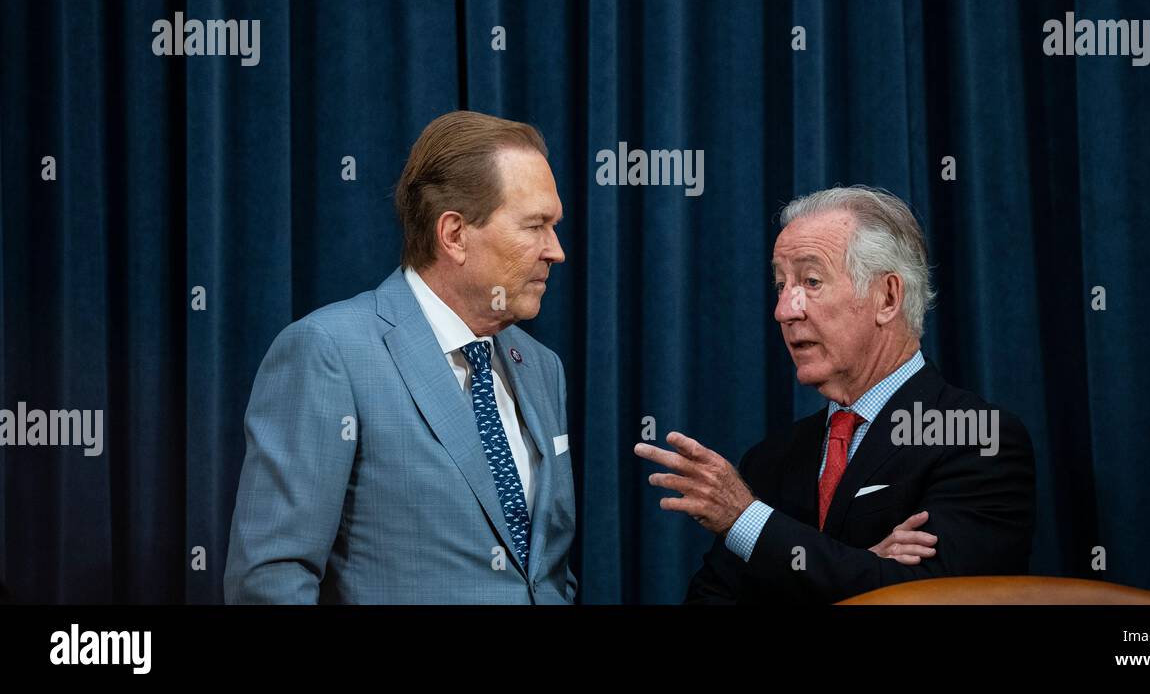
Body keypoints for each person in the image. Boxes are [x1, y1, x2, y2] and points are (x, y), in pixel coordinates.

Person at [225, 110, 576, 603]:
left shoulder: (540, 366)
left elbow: (544, 574)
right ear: (454, 234)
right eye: (535, 225)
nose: (555, 250)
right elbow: (270, 580)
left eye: (553, 226)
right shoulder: (330, 352)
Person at [636, 186, 1035, 603]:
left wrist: (747, 520)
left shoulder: (975, 437)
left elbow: (927, 600)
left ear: (887, 297)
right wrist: (865, 564)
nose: (785, 310)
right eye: (780, 284)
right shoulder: (768, 461)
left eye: (811, 281)